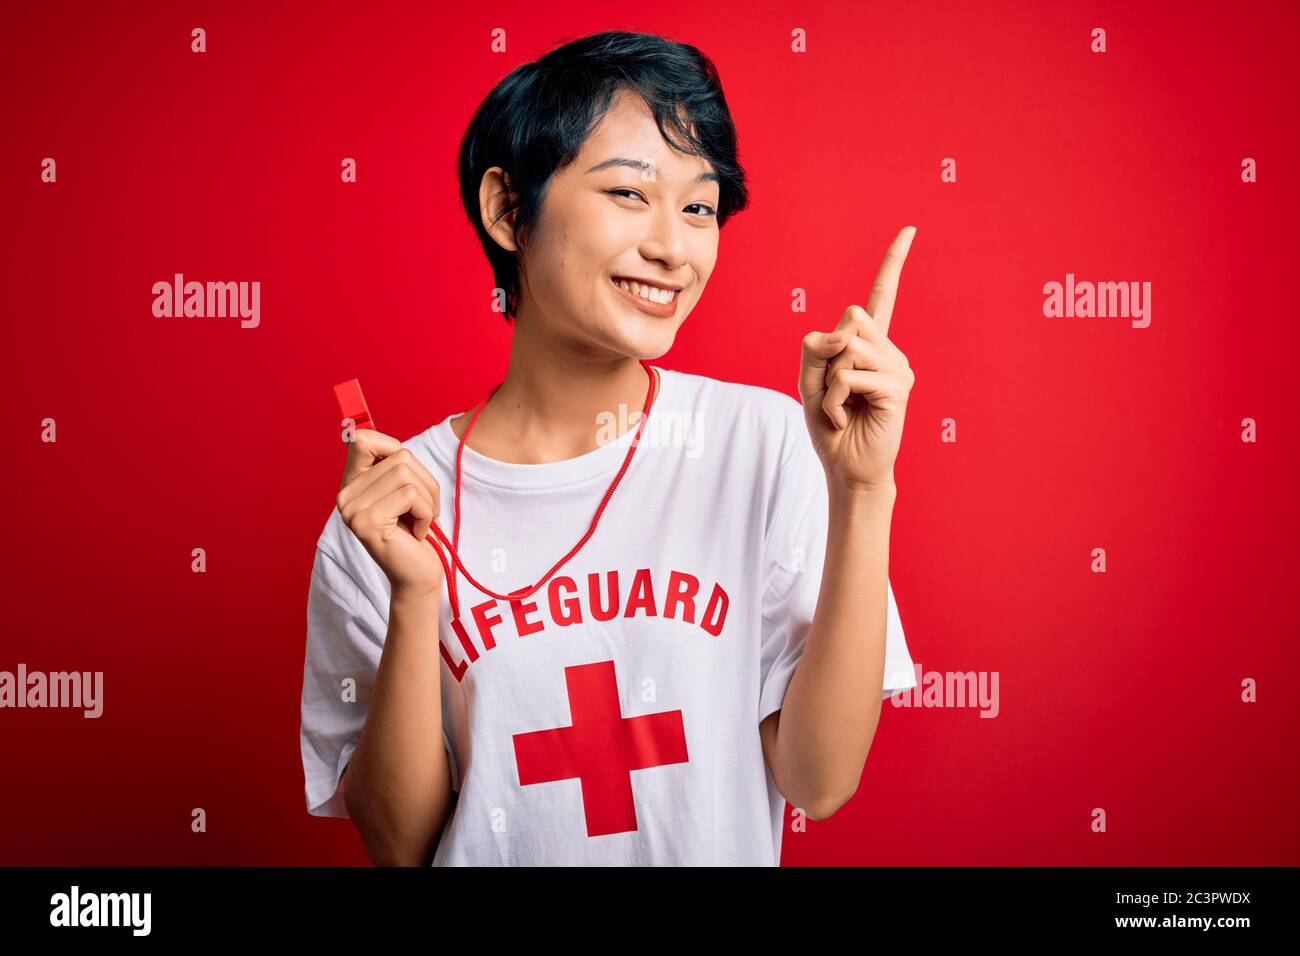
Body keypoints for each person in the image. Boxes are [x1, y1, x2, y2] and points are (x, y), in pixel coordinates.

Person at [300, 29, 919, 866]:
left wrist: (863, 493)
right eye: (630, 194)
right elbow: (402, 843)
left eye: (698, 207)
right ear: (508, 209)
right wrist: (415, 599)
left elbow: (819, 780)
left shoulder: (766, 444)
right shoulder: (384, 514)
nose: (673, 247)